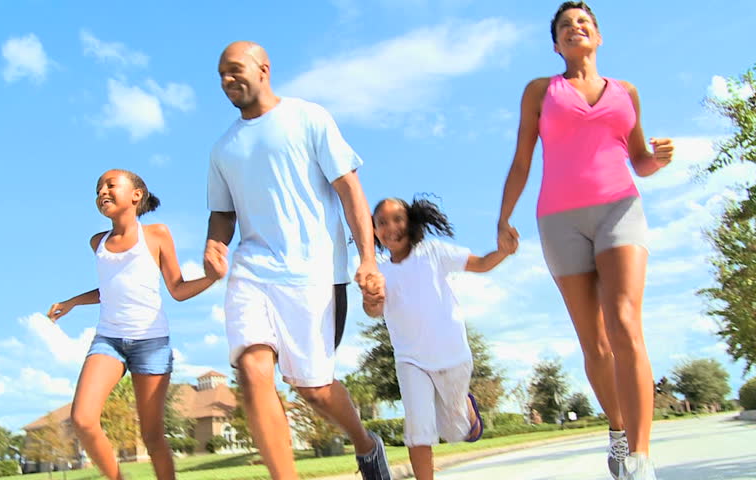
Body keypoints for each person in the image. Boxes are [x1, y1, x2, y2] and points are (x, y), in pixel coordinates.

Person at [495, 3, 674, 479]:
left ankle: (640, 457)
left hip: (620, 209)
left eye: (584, 23)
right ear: (555, 44)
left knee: (624, 323)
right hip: (558, 219)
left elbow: (639, 161)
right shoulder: (540, 91)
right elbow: (521, 160)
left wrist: (657, 158)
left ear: (598, 36)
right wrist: (503, 217)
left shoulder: (626, 92)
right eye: (565, 26)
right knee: (594, 343)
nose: (576, 28)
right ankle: (617, 430)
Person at [202, 41, 391, 480]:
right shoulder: (222, 148)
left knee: (314, 390)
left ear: (264, 68)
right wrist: (215, 244)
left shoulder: (309, 117)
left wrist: (368, 257)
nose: (227, 81)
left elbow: (350, 190)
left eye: (234, 70)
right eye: (221, 75)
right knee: (252, 368)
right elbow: (222, 212)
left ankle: (366, 445)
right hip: (252, 269)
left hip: (314, 271)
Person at [48, 169, 226, 480]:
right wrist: (73, 302)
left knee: (152, 434)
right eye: (98, 188)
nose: (102, 191)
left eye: (110, 185)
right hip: (109, 339)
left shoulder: (157, 234)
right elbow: (111, 289)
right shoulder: (98, 242)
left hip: (151, 342)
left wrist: (212, 277)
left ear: (136, 195)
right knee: (83, 419)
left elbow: (178, 289)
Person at [361, 197, 516, 480]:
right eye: (381, 222)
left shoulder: (433, 252)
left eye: (397, 219)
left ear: (411, 222)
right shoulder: (379, 272)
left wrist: (503, 252)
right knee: (418, 428)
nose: (390, 227)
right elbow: (373, 310)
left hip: (452, 356)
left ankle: (466, 409)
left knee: (455, 432)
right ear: (373, 231)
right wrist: (371, 300)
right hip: (410, 360)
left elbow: (480, 264)